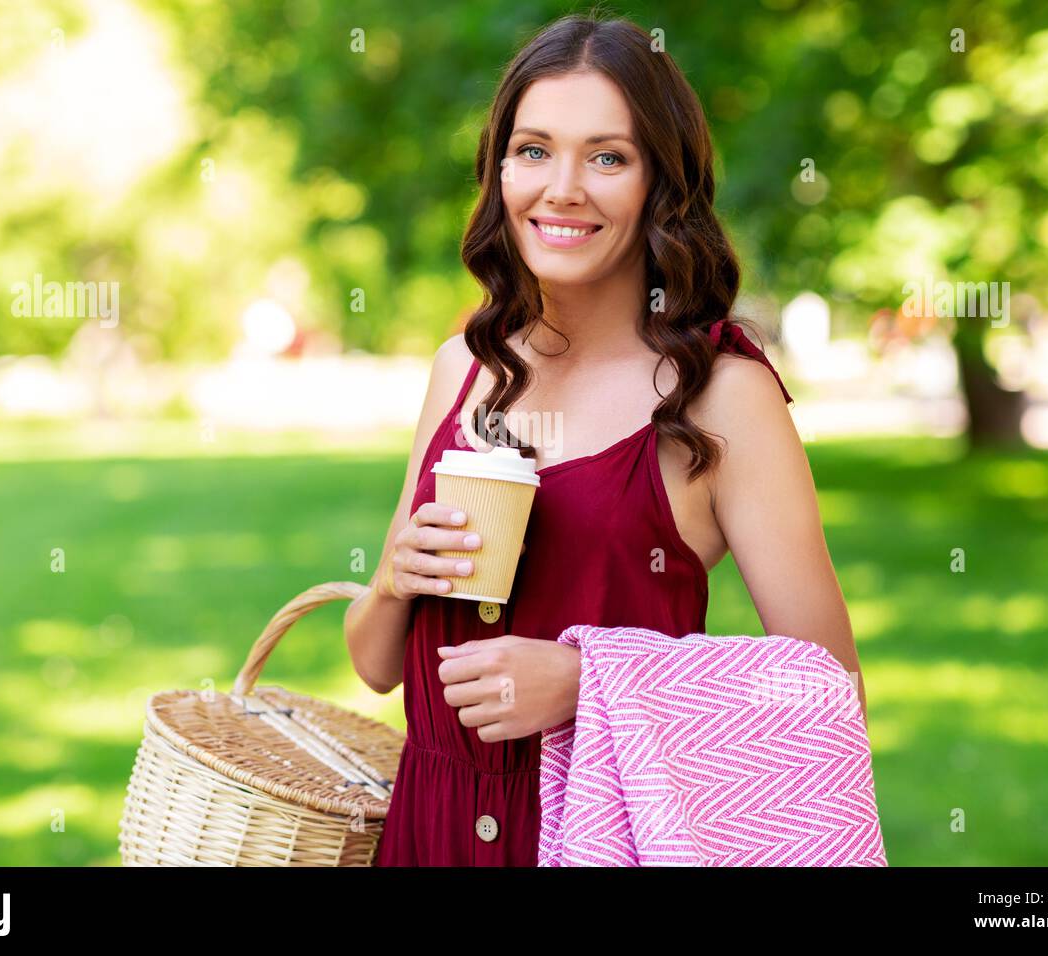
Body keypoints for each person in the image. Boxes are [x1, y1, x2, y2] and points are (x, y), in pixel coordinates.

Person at [342, 13, 867, 866]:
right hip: (429, 836)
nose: (563, 188)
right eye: (534, 149)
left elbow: (829, 694)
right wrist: (396, 575)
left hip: (600, 839)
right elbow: (375, 664)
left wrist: (592, 687)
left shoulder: (722, 396)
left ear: (663, 183)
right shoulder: (461, 368)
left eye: (608, 157)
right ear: (500, 169)